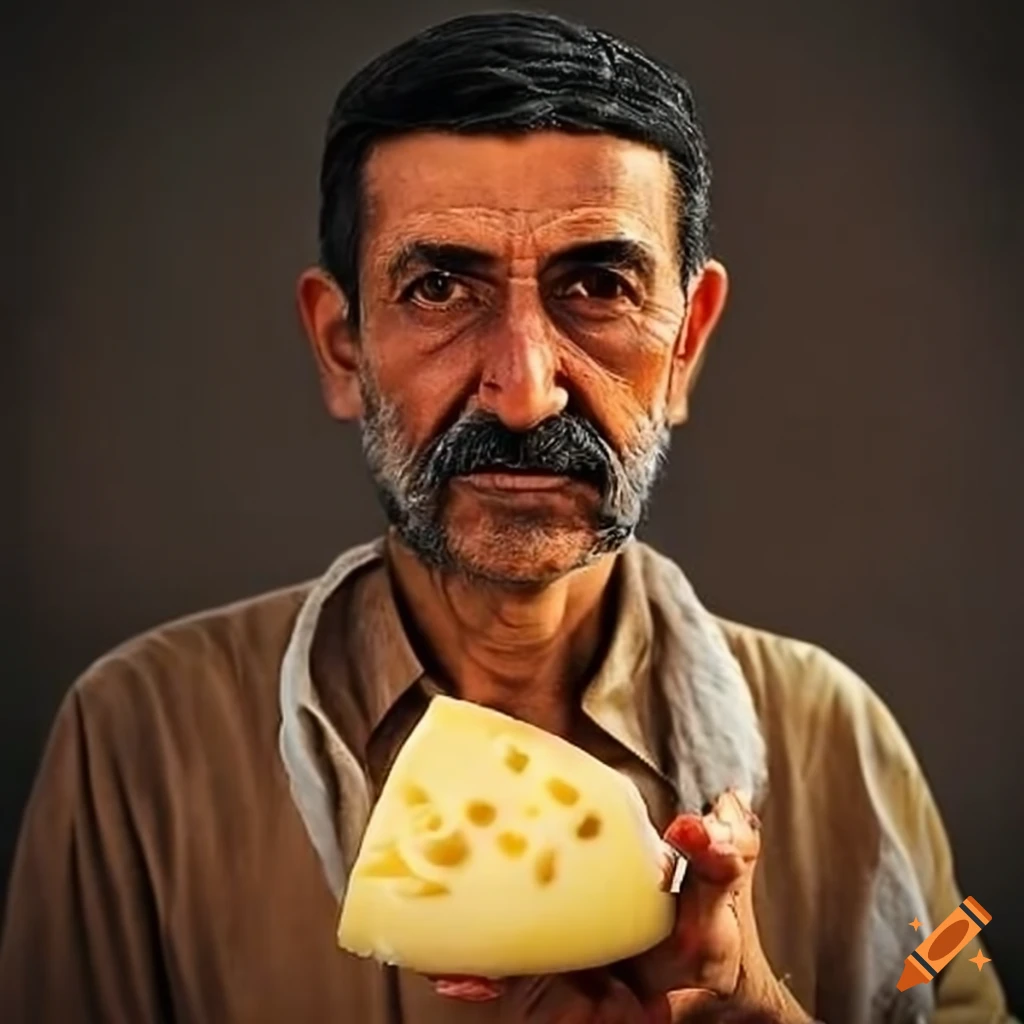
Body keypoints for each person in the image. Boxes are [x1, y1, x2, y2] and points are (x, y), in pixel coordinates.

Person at [0, 10, 1013, 1024]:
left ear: (686, 346)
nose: (525, 393)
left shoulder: (836, 737)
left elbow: (940, 982)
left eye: (599, 286)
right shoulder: (142, 743)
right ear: (343, 346)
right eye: (439, 287)